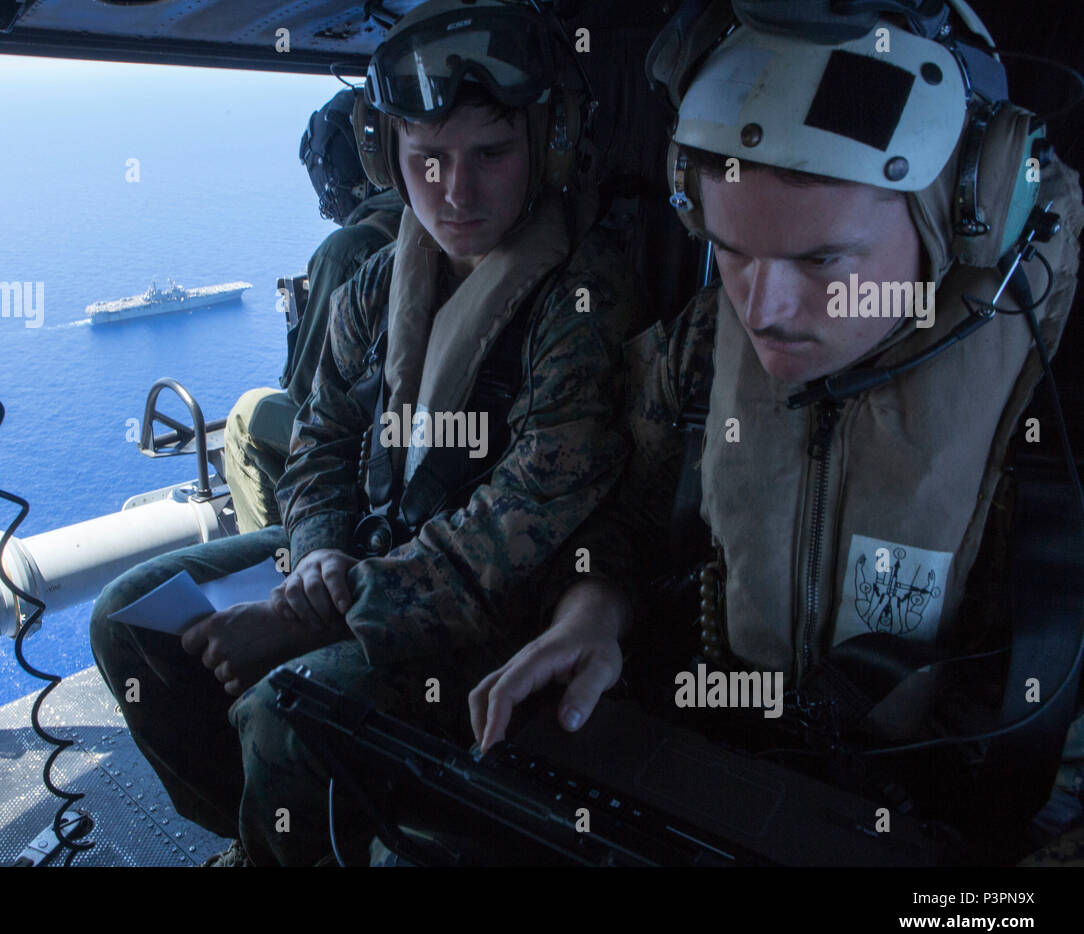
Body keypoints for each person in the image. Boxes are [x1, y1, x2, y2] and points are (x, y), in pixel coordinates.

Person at [470, 0, 1083, 859]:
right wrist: (591, 614)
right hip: (727, 781)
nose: (764, 313)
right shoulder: (703, 346)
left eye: (821, 260)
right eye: (734, 252)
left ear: (967, 214)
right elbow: (630, 521)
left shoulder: (1050, 386)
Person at [90, 0, 635, 865]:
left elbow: (523, 522)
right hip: (358, 560)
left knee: (286, 710)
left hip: (497, 611)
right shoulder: (375, 282)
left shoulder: (582, 299)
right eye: (427, 160)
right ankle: (257, 830)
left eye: (490, 155)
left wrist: (336, 611)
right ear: (391, 158)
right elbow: (322, 441)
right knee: (127, 620)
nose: (455, 193)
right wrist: (314, 557)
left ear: (548, 145)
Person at [224, 88, 404, 532]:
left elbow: (309, 397)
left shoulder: (347, 250)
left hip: (370, 445)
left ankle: (275, 556)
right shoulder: (428, 217)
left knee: (247, 416)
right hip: (414, 433)